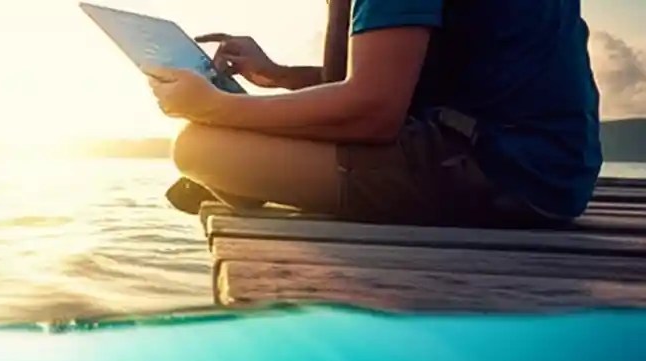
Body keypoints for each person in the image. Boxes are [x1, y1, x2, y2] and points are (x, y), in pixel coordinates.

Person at [145, 0, 603, 228]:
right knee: (227, 146)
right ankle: (249, 180)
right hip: (549, 164)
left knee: (197, 147)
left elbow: (372, 112)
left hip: (503, 171)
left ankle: (242, 182)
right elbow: (396, 81)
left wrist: (215, 106)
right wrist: (278, 75)